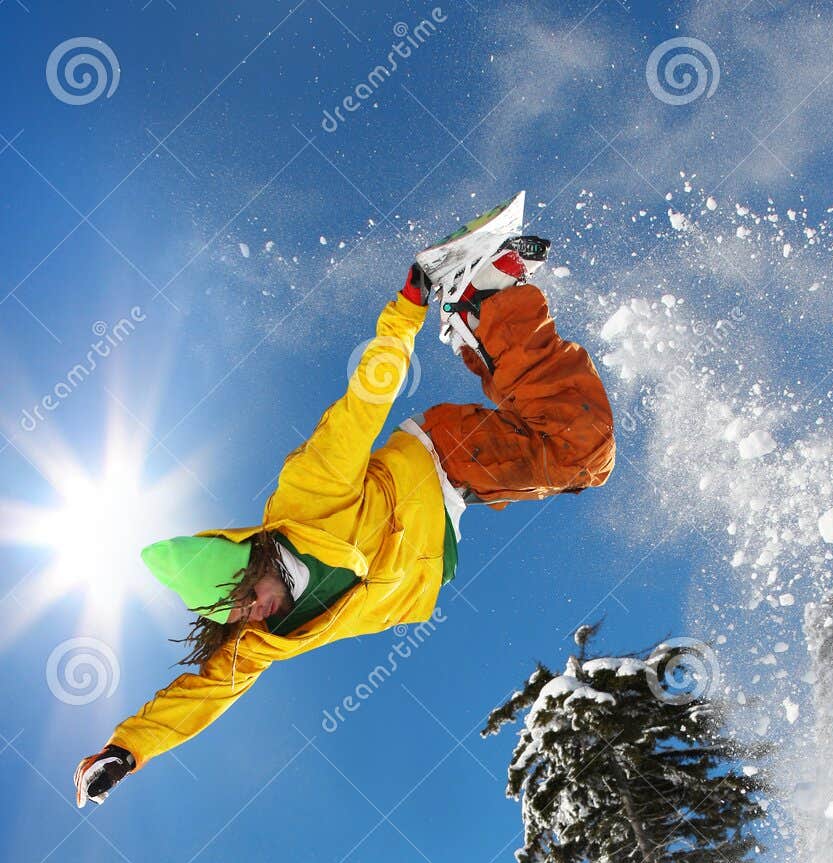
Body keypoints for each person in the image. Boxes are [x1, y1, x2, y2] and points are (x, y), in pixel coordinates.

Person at [74, 215, 615, 807]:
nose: (252, 615)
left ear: (249, 558)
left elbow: (365, 401)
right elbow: (198, 695)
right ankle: (478, 317)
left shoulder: (304, 497)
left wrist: (407, 308)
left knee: (577, 449)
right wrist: (124, 751)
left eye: (243, 596)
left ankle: (479, 298)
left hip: (439, 462)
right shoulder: (261, 642)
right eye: (236, 616)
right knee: (571, 456)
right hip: (447, 518)